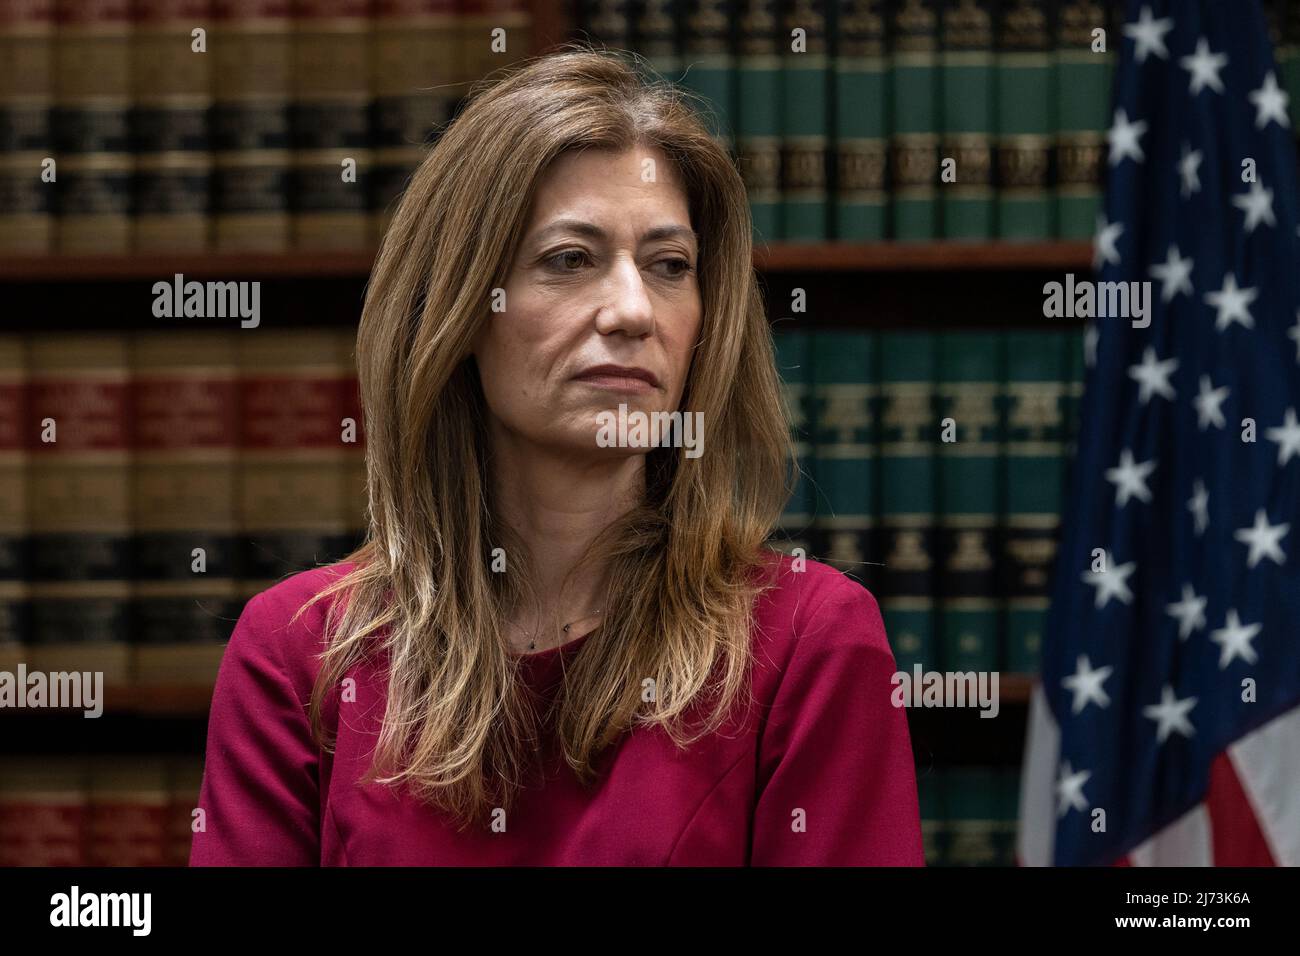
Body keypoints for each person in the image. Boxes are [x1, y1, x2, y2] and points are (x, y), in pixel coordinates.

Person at [190, 46, 924, 866]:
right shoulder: (303, 654)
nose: (633, 310)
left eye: (670, 266)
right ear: (463, 309)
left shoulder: (806, 640)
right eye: (570, 260)